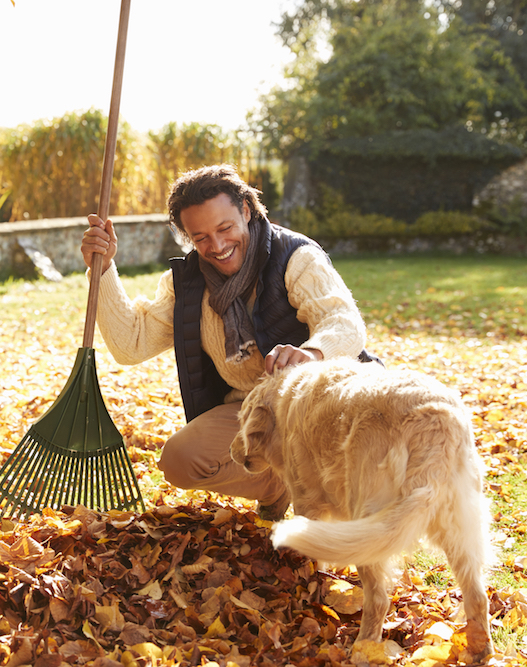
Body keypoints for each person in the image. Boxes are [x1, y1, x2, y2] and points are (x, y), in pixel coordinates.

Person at [80, 164, 378, 521]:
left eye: (225, 228)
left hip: (322, 405)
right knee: (179, 460)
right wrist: (103, 268)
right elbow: (131, 345)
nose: (217, 246)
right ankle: (278, 485)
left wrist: (311, 353)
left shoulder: (295, 257)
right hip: (252, 409)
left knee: (332, 512)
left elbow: (344, 322)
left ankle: (321, 487)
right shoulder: (187, 284)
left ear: (246, 211)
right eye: (201, 237)